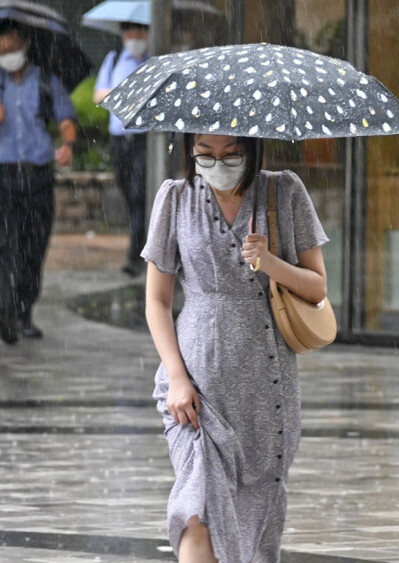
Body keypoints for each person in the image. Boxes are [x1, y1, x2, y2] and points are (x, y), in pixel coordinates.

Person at [143, 133, 329, 562]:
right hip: (194, 384)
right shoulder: (175, 199)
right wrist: (175, 378)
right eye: (204, 155)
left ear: (252, 150)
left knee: (255, 519)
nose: (217, 165)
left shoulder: (284, 192)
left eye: (231, 155)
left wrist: (272, 263)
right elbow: (157, 300)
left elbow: (318, 286)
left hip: (266, 388)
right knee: (196, 507)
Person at [0, 22, 77, 344]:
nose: (6, 55)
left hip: (36, 175)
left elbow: (66, 118)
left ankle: (24, 312)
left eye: (11, 48)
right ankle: (5, 311)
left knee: (32, 246)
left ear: (25, 44)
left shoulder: (45, 80)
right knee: (0, 246)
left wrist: (67, 145)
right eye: (0, 50)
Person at [93, 22, 150, 277]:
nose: (134, 38)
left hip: (143, 139)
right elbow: (98, 95)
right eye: (129, 32)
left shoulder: (152, 60)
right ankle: (138, 240)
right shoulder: (114, 58)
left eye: (139, 32)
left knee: (139, 195)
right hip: (118, 138)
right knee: (128, 193)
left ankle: (136, 254)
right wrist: (125, 92)